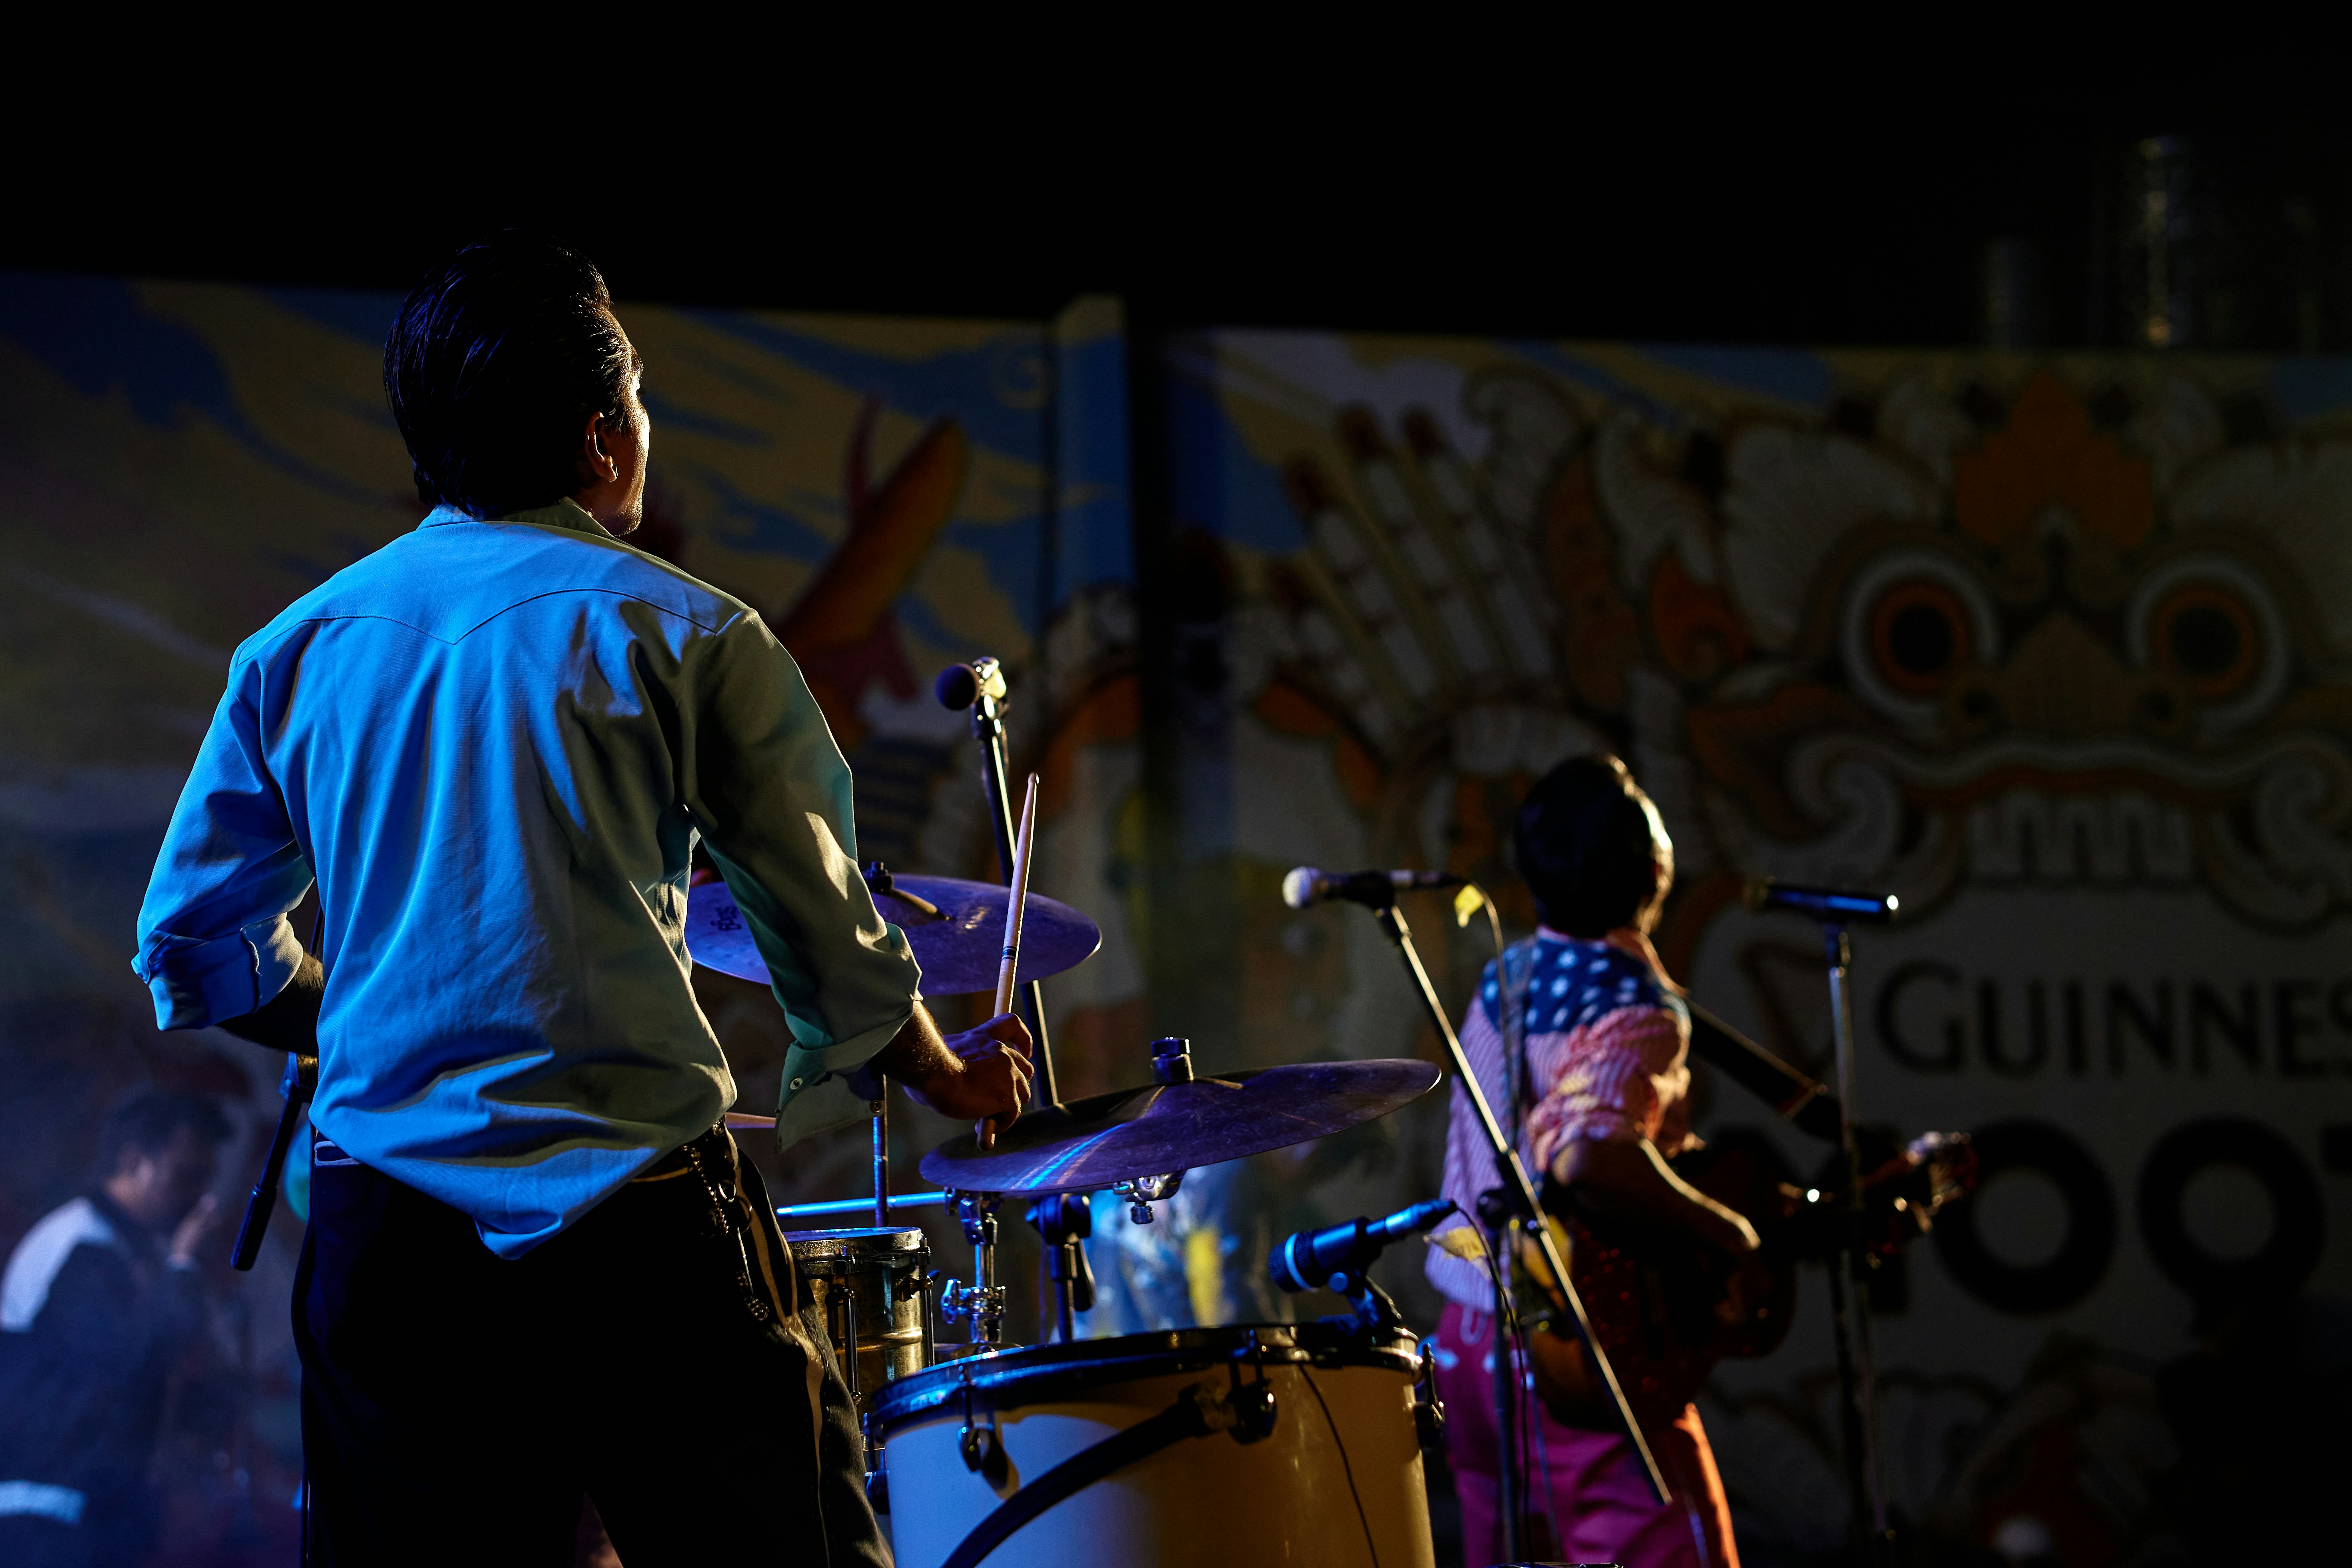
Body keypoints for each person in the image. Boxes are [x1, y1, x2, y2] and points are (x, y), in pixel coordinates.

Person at [129, 236, 1031, 1566]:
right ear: (606, 440)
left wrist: (359, 1011)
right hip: (634, 1226)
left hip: (386, 1241)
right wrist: (946, 1069)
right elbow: (829, 939)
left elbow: (195, 941)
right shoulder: (690, 634)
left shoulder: (302, 646)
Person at [1425, 754, 1756, 1568]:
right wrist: (1729, 1231)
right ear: (1653, 863)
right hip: (1565, 1349)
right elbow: (1585, 1154)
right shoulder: (1637, 1008)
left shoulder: (1507, 974)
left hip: (1464, 1346)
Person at [0, 1089, 231, 1568]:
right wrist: (184, 1268)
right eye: (187, 1176)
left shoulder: (130, 1251)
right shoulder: (81, 1244)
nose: (199, 1198)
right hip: (45, 1511)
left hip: (94, 1511)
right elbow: (128, 1354)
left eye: (207, 1180)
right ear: (133, 1161)